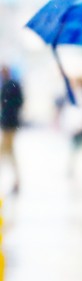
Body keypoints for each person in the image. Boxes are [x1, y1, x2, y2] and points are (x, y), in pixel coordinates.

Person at [0, 65, 24, 194]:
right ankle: (17, 180)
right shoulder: (7, 85)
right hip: (8, 122)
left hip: (10, 122)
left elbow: (19, 102)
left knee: (6, 150)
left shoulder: (12, 85)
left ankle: (17, 180)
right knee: (8, 151)